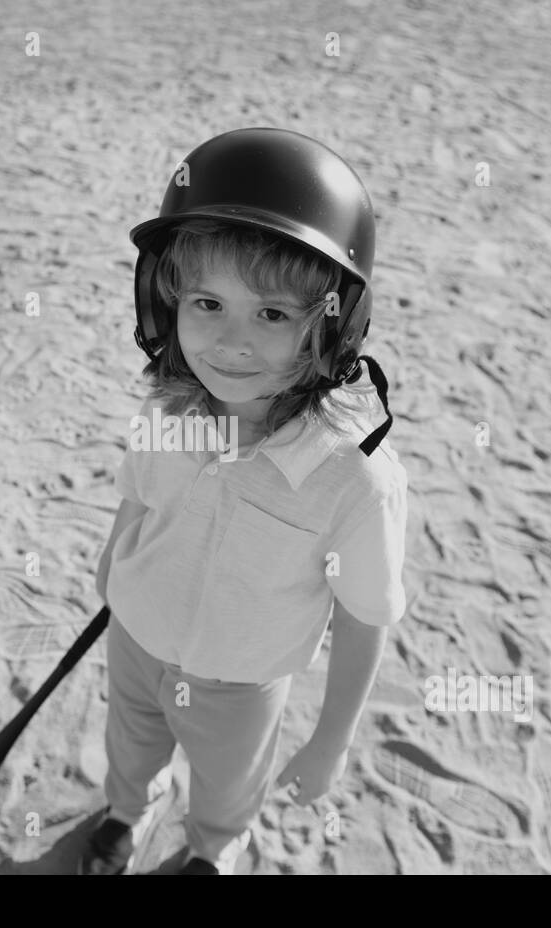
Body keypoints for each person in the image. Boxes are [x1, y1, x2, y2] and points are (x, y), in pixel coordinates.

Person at [81, 128, 408, 875]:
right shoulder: (172, 411)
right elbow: (139, 496)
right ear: (166, 301)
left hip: (239, 678)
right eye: (206, 302)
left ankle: (213, 847)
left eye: (272, 314)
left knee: (228, 785)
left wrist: (331, 739)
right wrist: (113, 565)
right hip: (135, 634)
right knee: (130, 744)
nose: (230, 341)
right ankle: (131, 809)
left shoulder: (353, 478)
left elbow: (365, 616)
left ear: (331, 325)